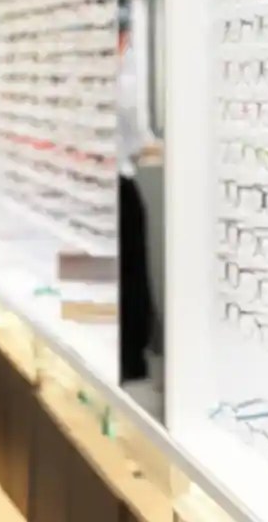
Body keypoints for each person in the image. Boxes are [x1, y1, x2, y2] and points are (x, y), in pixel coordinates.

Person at [116, 27, 157, 382]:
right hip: (119, 185)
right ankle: (130, 358)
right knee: (131, 272)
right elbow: (136, 141)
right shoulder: (123, 86)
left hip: (87, 188)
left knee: (92, 273)